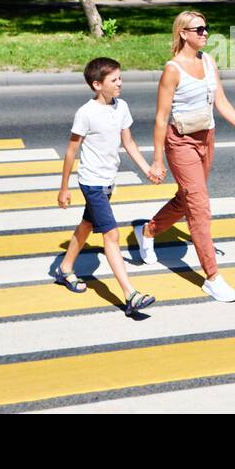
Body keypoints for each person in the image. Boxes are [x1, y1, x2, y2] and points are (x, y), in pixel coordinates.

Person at [133, 11, 235, 302]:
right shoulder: (173, 70)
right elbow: (161, 118)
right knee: (200, 207)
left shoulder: (209, 61)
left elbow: (221, 101)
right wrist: (157, 160)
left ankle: (147, 231)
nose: (205, 33)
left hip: (206, 138)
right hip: (180, 142)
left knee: (187, 199)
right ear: (183, 33)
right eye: (199, 29)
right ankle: (212, 278)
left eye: (206, 28)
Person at [56, 57, 159, 316]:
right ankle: (130, 295)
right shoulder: (86, 113)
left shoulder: (121, 106)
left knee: (87, 225)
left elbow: (129, 142)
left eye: (120, 78)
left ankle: (65, 268)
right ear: (97, 85)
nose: (120, 83)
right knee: (111, 235)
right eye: (114, 80)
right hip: (91, 182)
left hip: (108, 181)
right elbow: (71, 151)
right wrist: (64, 187)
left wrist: (146, 169)